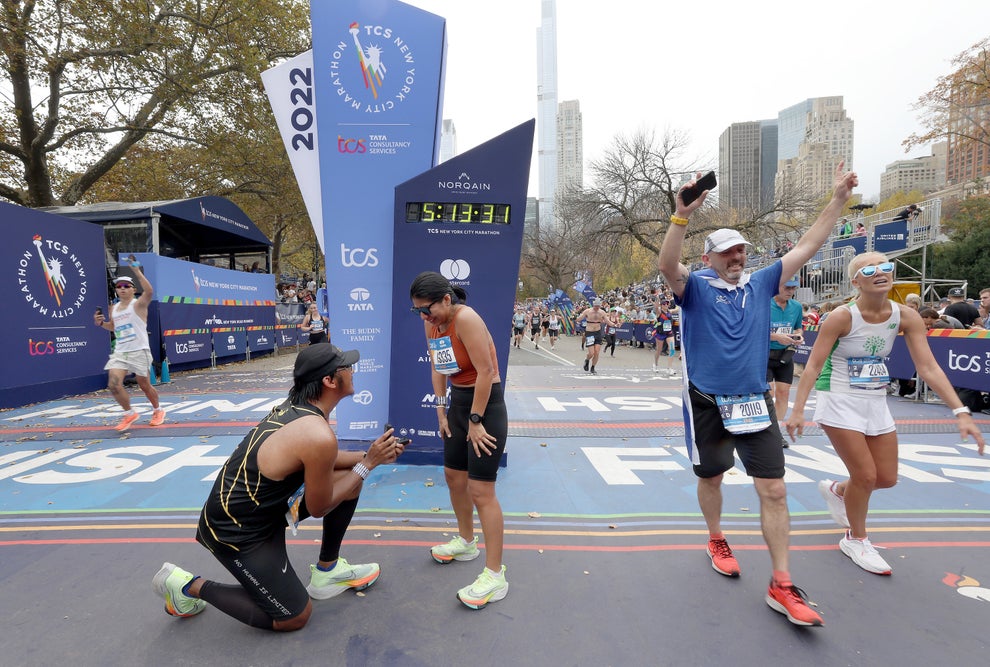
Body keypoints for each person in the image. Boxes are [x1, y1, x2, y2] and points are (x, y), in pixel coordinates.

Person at [658, 161, 858, 627]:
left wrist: (837, 201)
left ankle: (782, 583)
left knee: (773, 488)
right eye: (727, 253)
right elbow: (667, 264)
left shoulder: (763, 282)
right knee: (712, 479)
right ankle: (716, 537)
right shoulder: (696, 288)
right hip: (705, 399)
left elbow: (809, 244)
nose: (737, 258)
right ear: (709, 258)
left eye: (741, 251)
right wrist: (680, 216)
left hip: (754, 400)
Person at [151, 344, 406, 631]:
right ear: (330, 381)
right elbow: (321, 507)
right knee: (294, 617)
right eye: (346, 367)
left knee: (350, 478)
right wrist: (368, 464)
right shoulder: (317, 433)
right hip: (235, 532)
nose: (353, 370)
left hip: (264, 513)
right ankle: (188, 586)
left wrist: (371, 456)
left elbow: (327, 462)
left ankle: (328, 570)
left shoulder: (299, 410)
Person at [785, 252, 985, 576]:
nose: (880, 272)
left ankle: (838, 490)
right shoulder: (840, 317)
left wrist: (960, 410)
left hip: (875, 400)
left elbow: (929, 367)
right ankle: (855, 538)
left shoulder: (906, 316)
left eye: (886, 267)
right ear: (856, 281)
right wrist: (797, 410)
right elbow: (813, 366)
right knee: (864, 476)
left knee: (885, 478)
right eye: (870, 269)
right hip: (838, 399)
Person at [410, 271, 509, 610]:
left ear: (447, 300)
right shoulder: (432, 324)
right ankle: (467, 541)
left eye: (428, 309)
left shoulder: (466, 319)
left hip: (487, 406)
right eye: (419, 311)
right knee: (454, 478)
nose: (425, 316)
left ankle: (496, 576)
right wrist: (441, 409)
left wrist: (477, 421)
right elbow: (439, 366)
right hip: (458, 404)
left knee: (482, 490)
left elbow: (485, 372)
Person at [93, 259, 165, 431]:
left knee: (144, 385)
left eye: (126, 285)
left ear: (133, 289)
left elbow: (149, 291)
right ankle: (130, 413)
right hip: (121, 352)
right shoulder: (114, 308)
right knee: (114, 384)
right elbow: (113, 327)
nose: (122, 288)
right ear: (116, 290)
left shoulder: (138, 304)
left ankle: (158, 410)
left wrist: (137, 272)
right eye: (119, 286)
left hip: (139, 351)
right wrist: (101, 324)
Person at [768, 275, 804, 447]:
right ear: (777, 286)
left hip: (785, 355)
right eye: (787, 288)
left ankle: (775, 432)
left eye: (794, 288)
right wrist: (775, 336)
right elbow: (751, 330)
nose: (790, 292)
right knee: (769, 393)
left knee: (783, 394)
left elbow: (798, 326)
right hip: (764, 355)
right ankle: (764, 431)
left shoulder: (796, 306)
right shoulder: (764, 303)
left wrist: (798, 335)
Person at [575, 299, 607, 374]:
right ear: (593, 305)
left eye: (598, 306)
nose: (596, 308)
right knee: (591, 352)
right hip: (589, 332)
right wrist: (574, 318)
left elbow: (608, 321)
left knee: (597, 352)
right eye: (595, 306)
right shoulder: (587, 311)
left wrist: (615, 324)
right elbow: (579, 318)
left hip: (598, 332)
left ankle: (593, 367)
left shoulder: (602, 312)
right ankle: (587, 359)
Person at [652, 300, 677, 377]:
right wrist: (656, 306)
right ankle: (655, 364)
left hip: (669, 333)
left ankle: (669, 368)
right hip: (660, 333)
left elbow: (678, 308)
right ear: (661, 305)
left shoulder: (670, 311)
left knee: (672, 349)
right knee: (659, 350)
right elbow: (656, 309)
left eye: (667, 303)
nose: (666, 305)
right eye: (664, 304)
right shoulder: (659, 312)